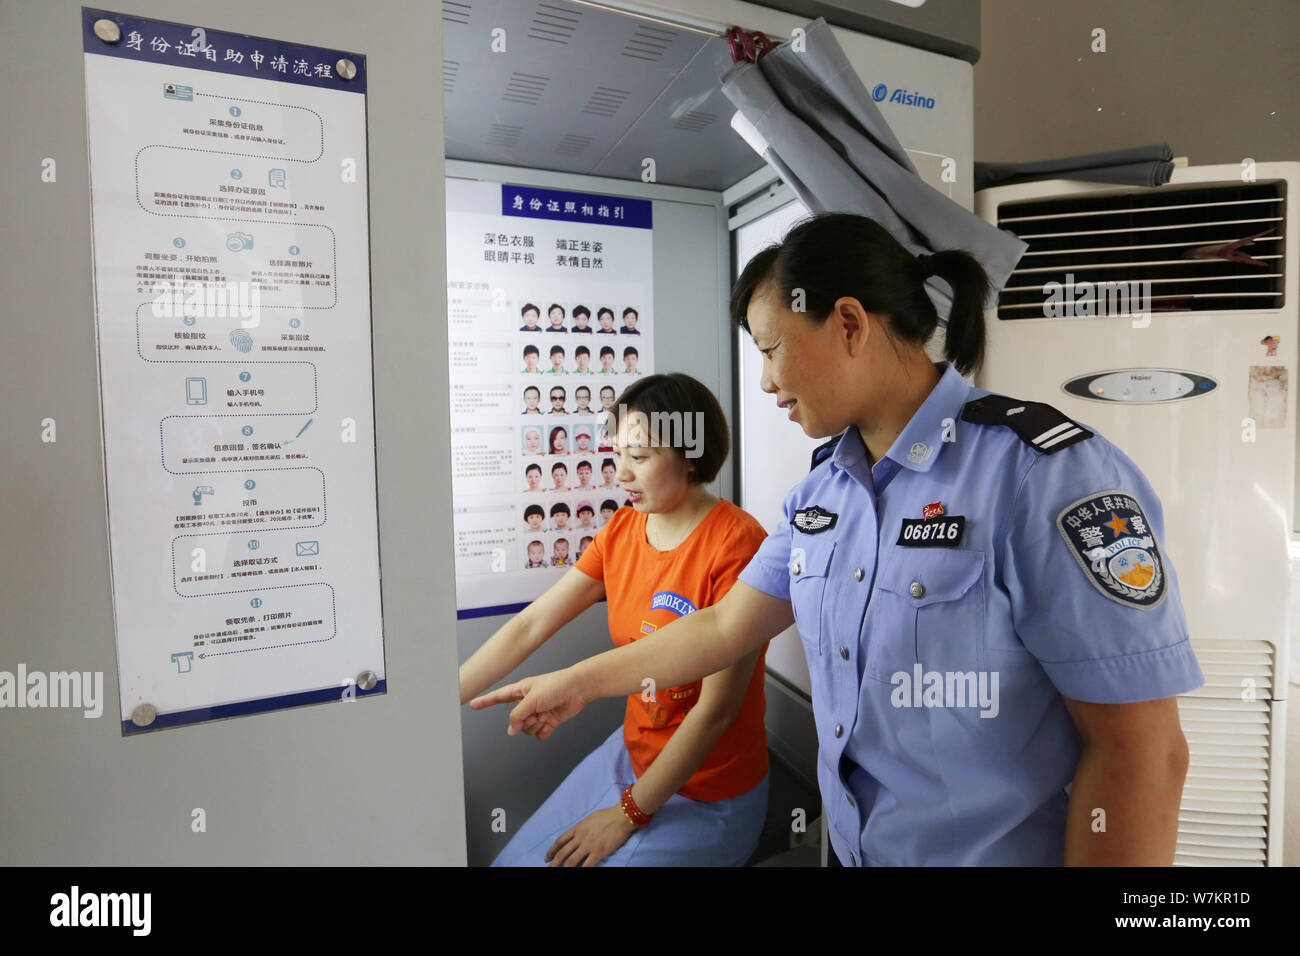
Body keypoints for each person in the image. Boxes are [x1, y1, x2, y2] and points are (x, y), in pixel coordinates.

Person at [472, 212, 1205, 867]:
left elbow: (1143, 753)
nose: (764, 382)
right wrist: (580, 681)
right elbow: (727, 625)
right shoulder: (823, 492)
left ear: (849, 324)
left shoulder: (1043, 474)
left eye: (771, 350)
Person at [462, 373, 773, 866]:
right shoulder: (625, 528)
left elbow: (716, 713)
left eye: (641, 457)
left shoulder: (736, 543)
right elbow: (531, 625)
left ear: (690, 455)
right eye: (618, 454)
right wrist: (440, 702)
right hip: (629, 756)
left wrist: (626, 814)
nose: (621, 474)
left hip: (710, 792)